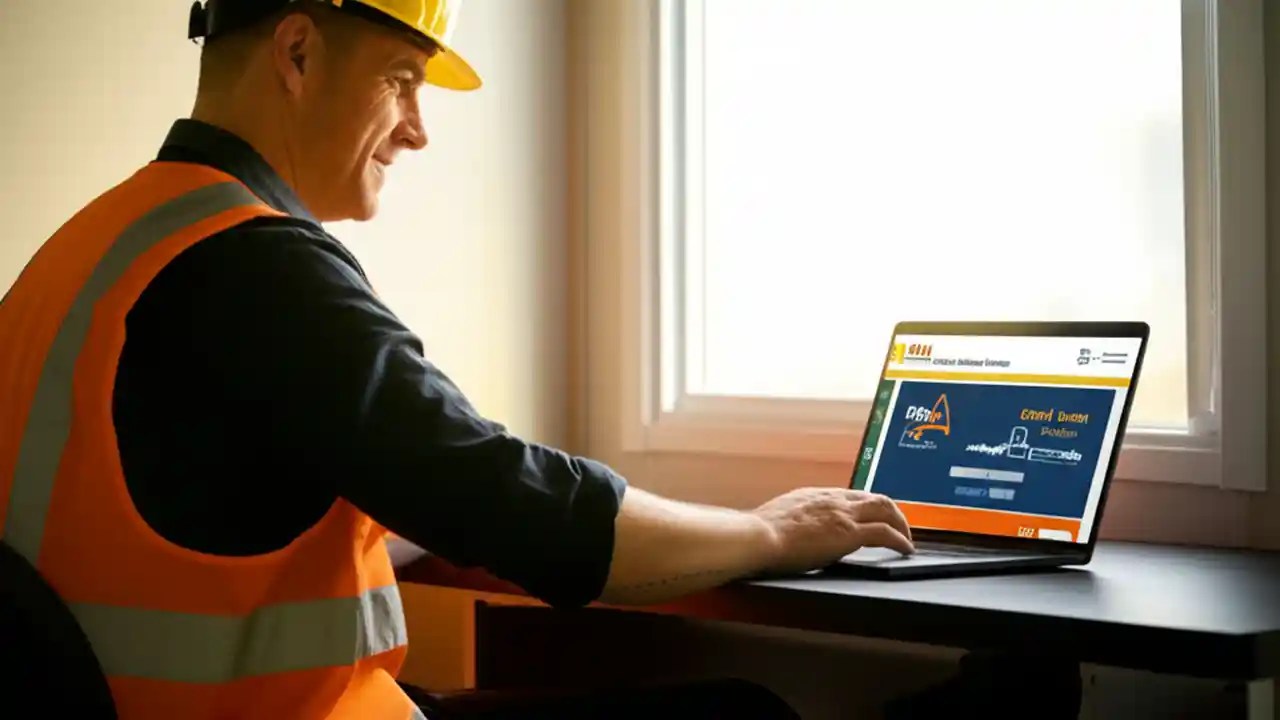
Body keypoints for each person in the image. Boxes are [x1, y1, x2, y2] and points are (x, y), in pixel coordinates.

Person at [0, 1, 917, 717]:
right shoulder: (258, 266)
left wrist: (406, 505)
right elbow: (522, 506)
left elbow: (177, 513)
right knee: (738, 713)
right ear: (298, 52)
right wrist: (771, 532)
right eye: (401, 79)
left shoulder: (89, 247)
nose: (417, 129)